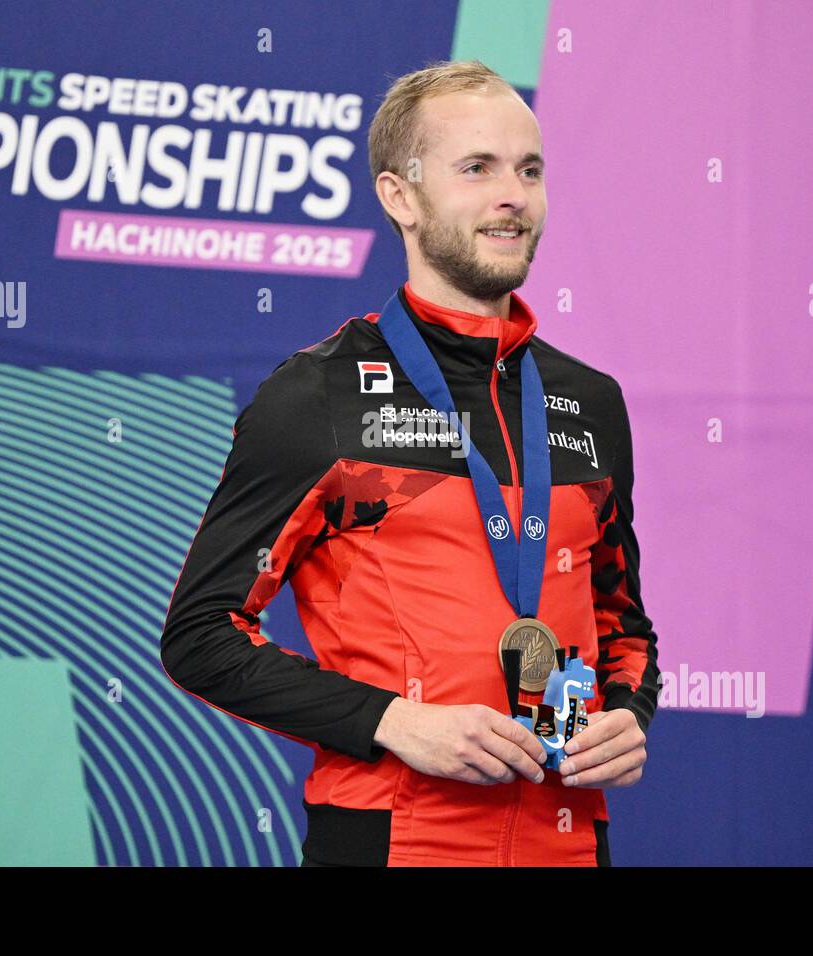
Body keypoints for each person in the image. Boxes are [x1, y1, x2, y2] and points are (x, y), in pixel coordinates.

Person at [160, 59, 661, 867]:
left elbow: (621, 624)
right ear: (401, 197)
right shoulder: (317, 395)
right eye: (478, 169)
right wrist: (395, 721)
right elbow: (202, 634)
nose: (514, 196)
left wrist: (630, 716)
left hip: (567, 839)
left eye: (529, 170)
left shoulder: (590, 400)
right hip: (392, 837)